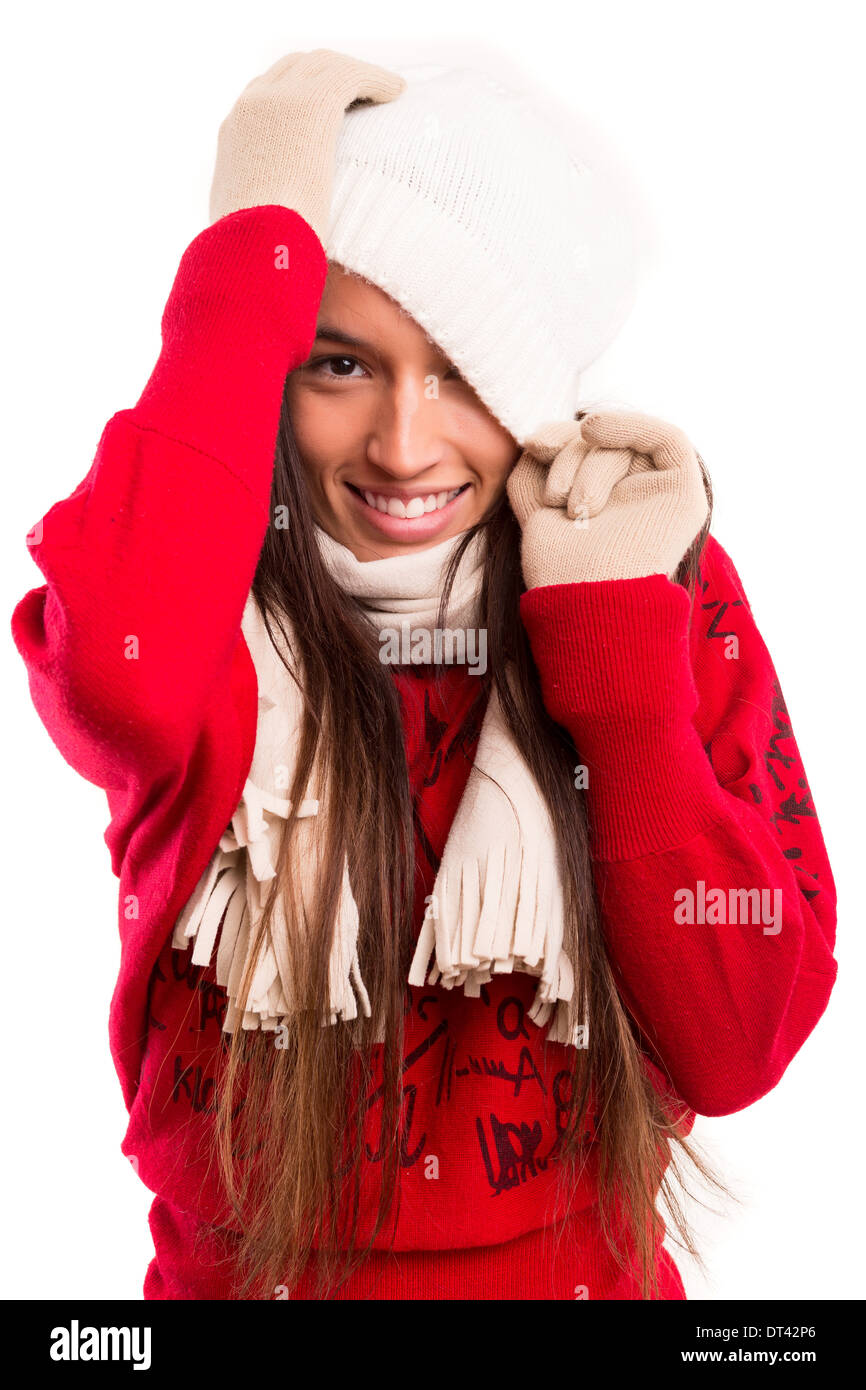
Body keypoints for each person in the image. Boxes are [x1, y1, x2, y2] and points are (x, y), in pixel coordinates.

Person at [11, 48, 838, 1302]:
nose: (403, 445)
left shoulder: (650, 581)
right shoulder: (198, 590)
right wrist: (254, 243)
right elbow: (119, 679)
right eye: (337, 364)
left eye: (462, 370)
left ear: (534, 388)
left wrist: (610, 650)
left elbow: (738, 1038)